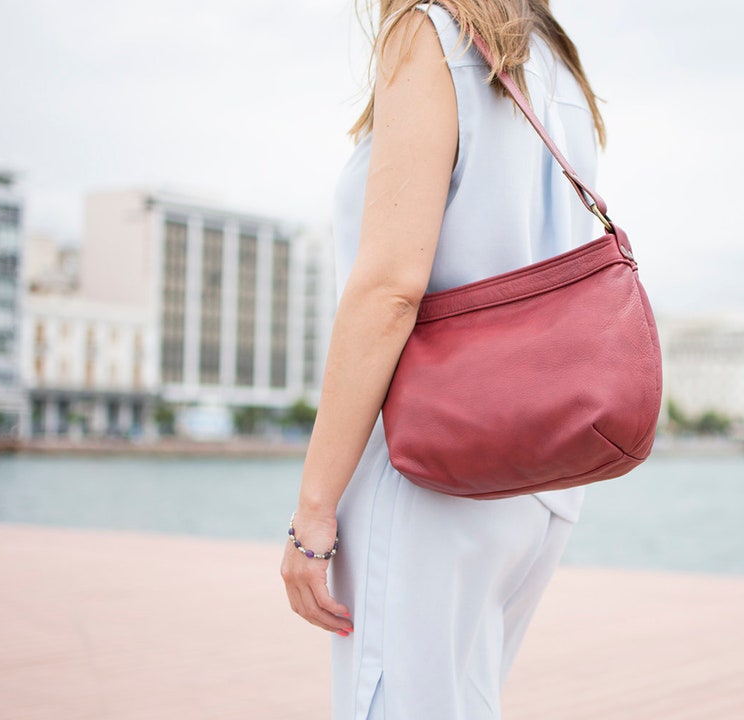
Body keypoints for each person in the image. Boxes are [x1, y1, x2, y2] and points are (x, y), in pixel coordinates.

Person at [280, 1, 607, 717]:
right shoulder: (554, 60)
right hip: (537, 476)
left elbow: (390, 289)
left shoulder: (430, 33)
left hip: (428, 464)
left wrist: (313, 510)